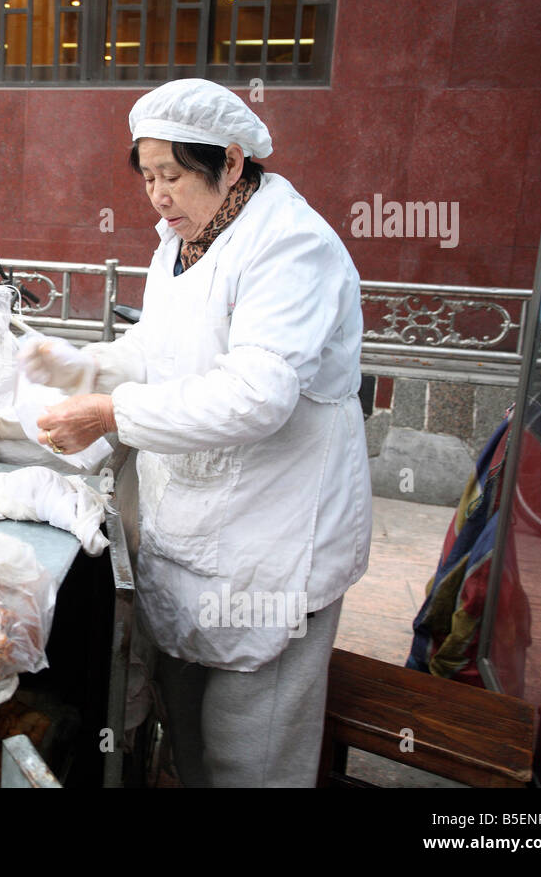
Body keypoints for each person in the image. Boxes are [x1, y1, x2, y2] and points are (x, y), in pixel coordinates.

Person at [24, 79, 372, 786]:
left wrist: (110, 412)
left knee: (254, 746)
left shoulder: (291, 245)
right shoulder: (180, 242)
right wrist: (82, 365)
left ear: (233, 163)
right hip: (194, 521)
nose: (158, 195)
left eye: (174, 175)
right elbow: (157, 353)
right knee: (189, 734)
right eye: (148, 176)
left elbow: (258, 394)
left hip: (274, 532)